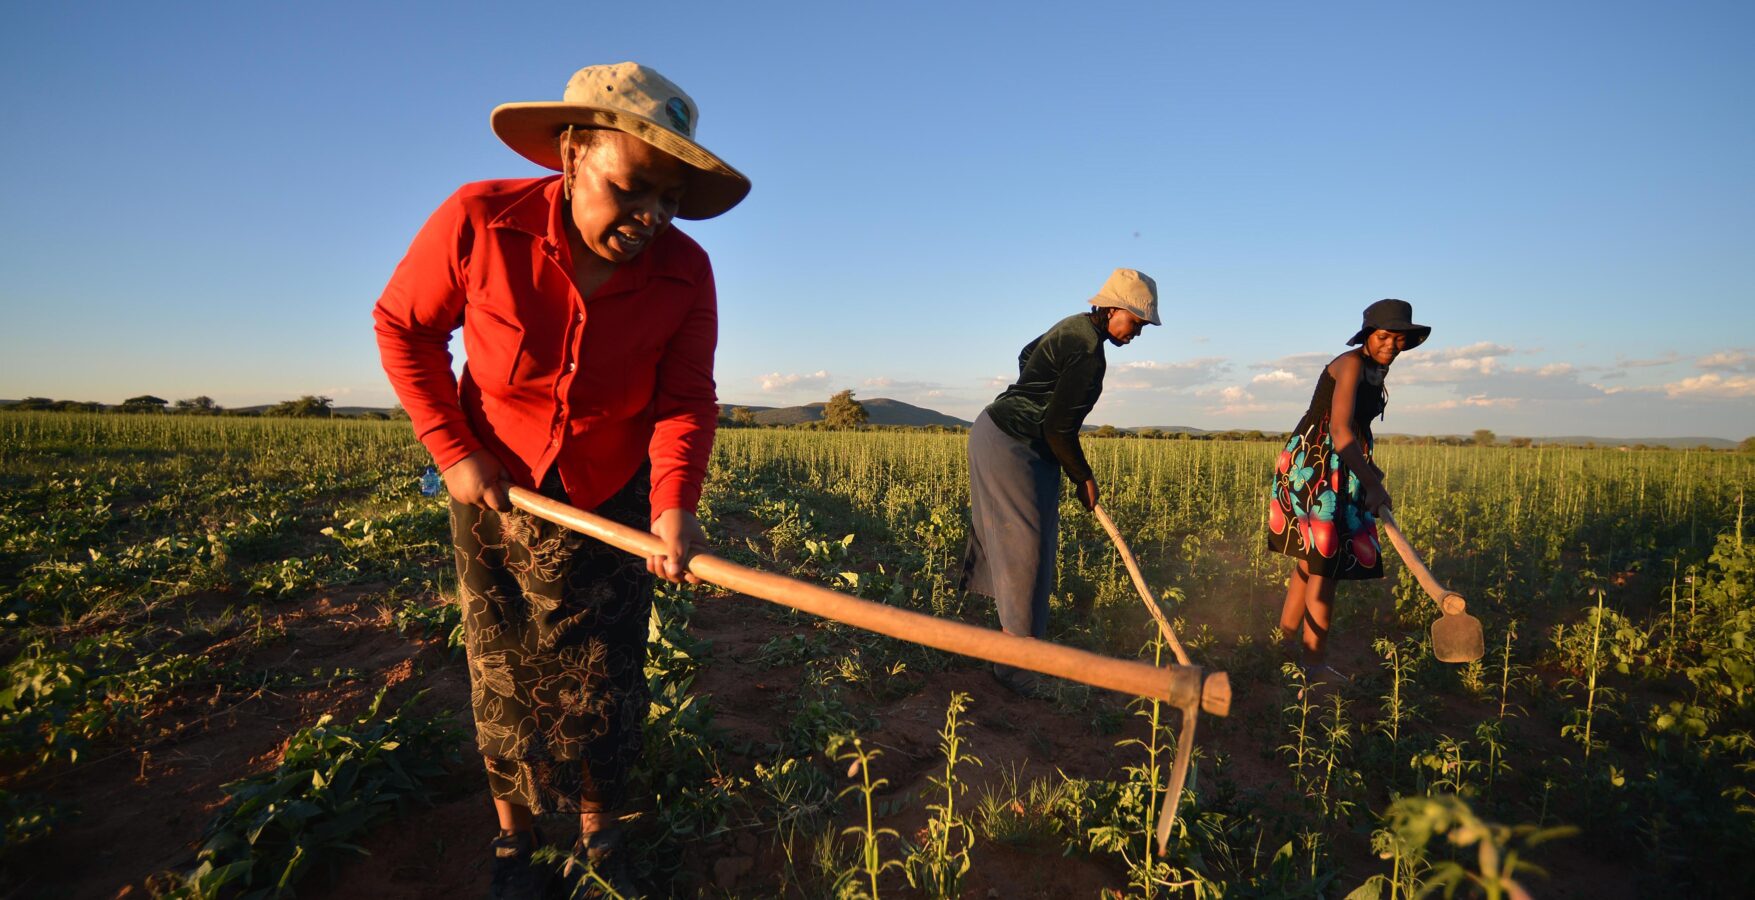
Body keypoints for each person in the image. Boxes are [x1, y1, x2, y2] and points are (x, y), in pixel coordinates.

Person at [373, 62, 749, 899]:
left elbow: (685, 400)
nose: (651, 216)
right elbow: (403, 326)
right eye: (631, 188)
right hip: (493, 486)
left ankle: (597, 830)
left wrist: (673, 506)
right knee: (501, 664)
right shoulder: (481, 219)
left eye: (670, 200)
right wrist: (452, 449)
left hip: (610, 489)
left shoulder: (686, 272)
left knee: (605, 671)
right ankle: (515, 839)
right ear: (573, 155)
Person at [962, 269, 1160, 698]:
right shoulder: (1088, 355)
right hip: (1010, 442)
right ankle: (1015, 665)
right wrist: (1084, 477)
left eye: (1144, 326)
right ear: (1113, 310)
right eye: (1137, 322)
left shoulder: (1074, 326)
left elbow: (1026, 354)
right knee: (1024, 547)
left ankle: (1027, 649)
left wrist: (1034, 391)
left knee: (1036, 541)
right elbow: (1058, 429)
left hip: (1015, 438)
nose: (1138, 333)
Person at [1268, 299, 1430, 683]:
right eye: (1384, 336)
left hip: (1336, 465)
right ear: (1368, 335)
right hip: (1315, 466)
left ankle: (1283, 644)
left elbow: (1353, 432)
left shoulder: (1374, 370)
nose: (1391, 344)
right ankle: (1313, 665)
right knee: (1325, 567)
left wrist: (1371, 474)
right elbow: (1339, 429)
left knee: (1311, 562)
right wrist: (1371, 483)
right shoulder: (1352, 363)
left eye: (1399, 338)